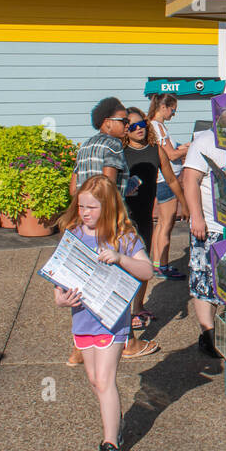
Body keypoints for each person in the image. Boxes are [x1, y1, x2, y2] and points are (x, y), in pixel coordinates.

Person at [52, 175, 154, 451]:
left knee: (105, 380)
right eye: (81, 206)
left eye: (92, 208)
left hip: (111, 321)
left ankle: (111, 446)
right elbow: (60, 273)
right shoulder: (73, 233)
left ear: (108, 206)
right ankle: (116, 427)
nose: (85, 212)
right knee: (95, 380)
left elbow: (147, 270)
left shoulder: (123, 236)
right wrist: (59, 299)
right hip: (82, 318)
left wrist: (120, 258)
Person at [67, 97, 135, 367]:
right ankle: (122, 342)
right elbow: (107, 184)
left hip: (82, 220)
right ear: (107, 123)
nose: (127, 126)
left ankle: (79, 347)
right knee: (113, 281)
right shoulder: (113, 144)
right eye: (123, 121)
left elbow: (74, 187)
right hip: (107, 221)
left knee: (82, 281)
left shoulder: (86, 145)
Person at [121, 105, 185, 354]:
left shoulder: (155, 150)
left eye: (142, 125)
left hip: (146, 218)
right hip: (125, 220)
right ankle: (125, 321)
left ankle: (138, 308)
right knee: (127, 268)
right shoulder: (120, 152)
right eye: (133, 126)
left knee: (144, 266)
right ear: (125, 129)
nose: (139, 129)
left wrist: (183, 203)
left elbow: (170, 178)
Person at [181, 125, 226, 358]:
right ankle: (208, 335)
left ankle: (225, 332)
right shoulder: (205, 140)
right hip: (209, 226)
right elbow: (189, 180)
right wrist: (196, 218)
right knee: (204, 281)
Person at [147, 94, 190, 280]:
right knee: (167, 225)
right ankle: (163, 267)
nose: (174, 114)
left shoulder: (152, 125)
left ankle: (157, 264)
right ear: (163, 107)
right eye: (173, 110)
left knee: (161, 226)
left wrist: (183, 146)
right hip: (166, 181)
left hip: (160, 181)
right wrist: (193, 148)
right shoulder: (157, 127)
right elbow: (171, 155)